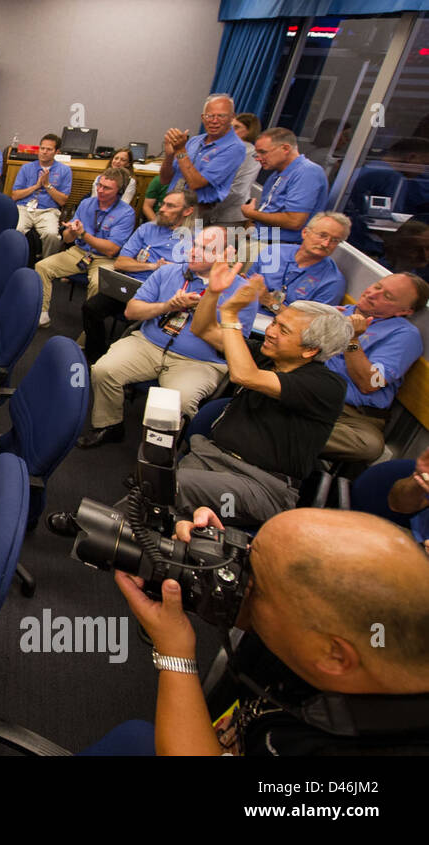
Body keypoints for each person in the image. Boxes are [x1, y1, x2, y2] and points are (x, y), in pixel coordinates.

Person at [114, 506, 429, 755]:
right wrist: (212, 558)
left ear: (333, 656)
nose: (240, 579)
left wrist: (174, 653)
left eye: (254, 584)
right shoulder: (355, 639)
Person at [181, 266, 351, 525]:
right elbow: (203, 330)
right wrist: (214, 293)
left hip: (261, 487)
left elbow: (244, 376)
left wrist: (230, 313)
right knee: (156, 494)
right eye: (275, 322)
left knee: (167, 486)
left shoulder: (326, 385)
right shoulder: (267, 355)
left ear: (309, 351)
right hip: (210, 459)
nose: (270, 331)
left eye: (283, 331)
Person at [80, 227, 259, 447]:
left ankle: (156, 459)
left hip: (199, 362)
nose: (193, 252)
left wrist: (205, 314)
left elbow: (233, 347)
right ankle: (109, 425)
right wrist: (167, 306)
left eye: (205, 248)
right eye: (195, 244)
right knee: (103, 369)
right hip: (148, 344)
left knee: (180, 403)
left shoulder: (243, 293)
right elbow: (131, 311)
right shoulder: (169, 272)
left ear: (226, 255)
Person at [80, 187, 198, 363]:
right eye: (163, 204)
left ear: (187, 211)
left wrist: (170, 270)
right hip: (131, 286)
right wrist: (152, 266)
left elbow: (190, 276)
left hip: (159, 296)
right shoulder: (147, 229)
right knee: (91, 308)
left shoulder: (195, 240)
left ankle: (121, 362)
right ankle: (95, 357)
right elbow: (121, 262)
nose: (162, 209)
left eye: (170, 206)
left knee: (136, 325)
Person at [322, 272, 428, 464]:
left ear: (405, 311)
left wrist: (352, 339)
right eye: (378, 286)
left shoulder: (403, 335)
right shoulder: (340, 311)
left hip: (351, 413)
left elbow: (370, 383)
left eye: (387, 296)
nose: (372, 294)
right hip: (308, 390)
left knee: (368, 445)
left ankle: (285, 428)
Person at [33, 166, 135, 327]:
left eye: (106, 188)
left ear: (119, 191)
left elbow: (111, 249)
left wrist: (83, 234)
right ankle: (42, 314)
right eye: (99, 185)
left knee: (97, 283)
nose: (100, 190)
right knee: (42, 267)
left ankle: (87, 333)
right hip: (80, 251)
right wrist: (72, 232)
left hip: (105, 259)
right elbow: (66, 239)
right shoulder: (87, 203)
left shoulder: (126, 213)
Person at [248, 212, 349, 318]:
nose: (325, 244)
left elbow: (312, 325)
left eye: (334, 240)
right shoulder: (274, 252)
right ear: (305, 232)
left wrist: (271, 303)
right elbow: (247, 284)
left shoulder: (332, 282)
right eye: (322, 235)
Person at [241, 127, 331, 245]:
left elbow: (294, 221)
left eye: (263, 152)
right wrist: (251, 223)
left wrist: (252, 214)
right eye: (256, 154)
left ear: (285, 148)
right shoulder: (276, 174)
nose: (258, 158)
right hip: (257, 238)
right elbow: (267, 209)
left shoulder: (307, 172)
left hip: (279, 245)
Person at [159, 94, 247, 208]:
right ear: (202, 118)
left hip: (198, 210)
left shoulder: (234, 147)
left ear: (232, 118)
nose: (214, 121)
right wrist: (169, 156)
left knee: (194, 226)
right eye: (209, 116)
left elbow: (196, 183)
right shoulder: (195, 141)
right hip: (171, 204)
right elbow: (164, 180)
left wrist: (180, 150)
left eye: (221, 116)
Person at [11, 133, 73, 256]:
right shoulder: (26, 168)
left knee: (52, 236)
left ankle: (44, 265)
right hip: (24, 208)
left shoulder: (64, 171)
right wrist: (36, 186)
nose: (44, 152)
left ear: (56, 152)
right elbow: (15, 196)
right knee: (16, 231)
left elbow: (62, 201)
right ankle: (14, 261)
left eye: (49, 149)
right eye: (42, 148)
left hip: (48, 211)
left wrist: (47, 185)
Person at [206, 112, 261, 226]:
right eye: (230, 127)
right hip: (205, 209)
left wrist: (209, 206)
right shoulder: (222, 148)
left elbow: (238, 190)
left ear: (249, 131)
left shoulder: (252, 154)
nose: (231, 131)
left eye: (236, 127)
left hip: (227, 215)